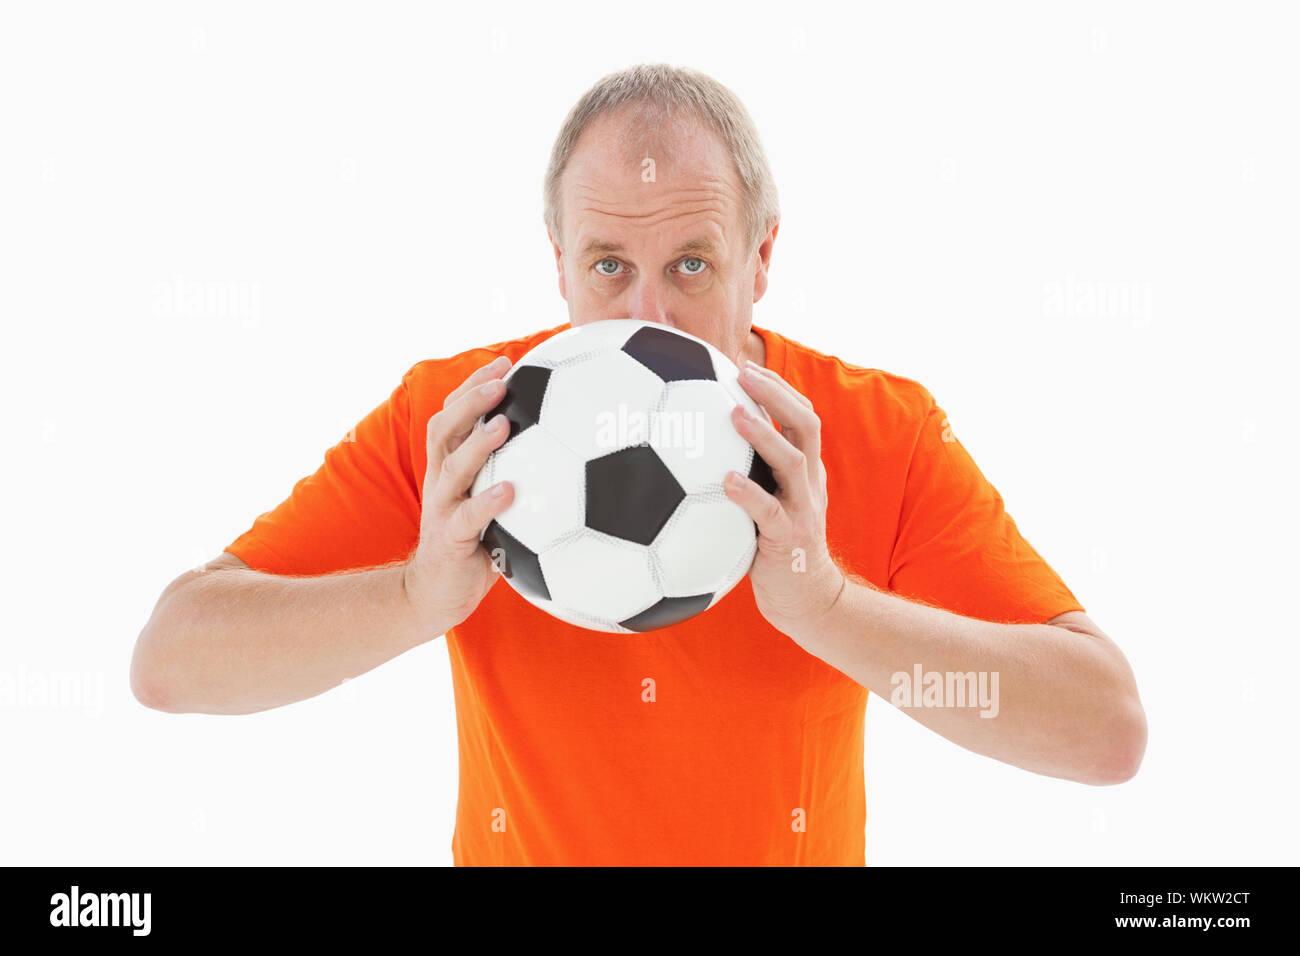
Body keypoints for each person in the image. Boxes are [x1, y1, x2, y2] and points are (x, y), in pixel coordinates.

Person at [131, 63, 1147, 866]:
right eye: (608, 265)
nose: (644, 317)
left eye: (692, 265)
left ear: (762, 259)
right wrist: (415, 591)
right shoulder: (461, 424)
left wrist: (828, 606)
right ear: (559, 259)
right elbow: (171, 660)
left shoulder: (872, 430)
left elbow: (1104, 730)